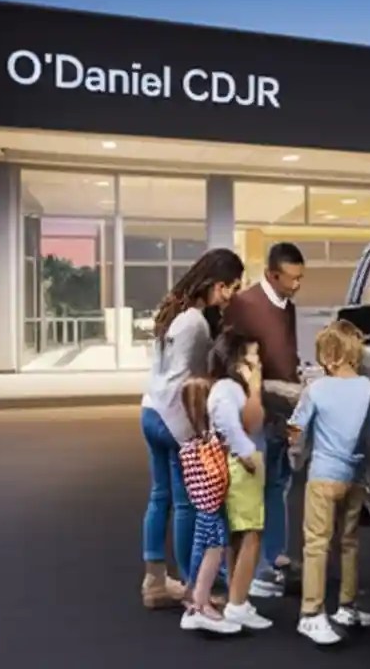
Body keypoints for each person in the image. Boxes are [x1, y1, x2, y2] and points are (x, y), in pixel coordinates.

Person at [139, 248, 244, 609]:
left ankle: (154, 580)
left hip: (150, 410)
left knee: (159, 497)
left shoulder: (172, 311)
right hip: (175, 417)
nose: (231, 295)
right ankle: (190, 585)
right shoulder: (198, 322)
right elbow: (204, 377)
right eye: (231, 287)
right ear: (217, 284)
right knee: (186, 503)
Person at [221, 242, 306, 599]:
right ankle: (242, 571)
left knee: (279, 486)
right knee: (248, 493)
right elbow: (228, 356)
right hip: (255, 412)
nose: (297, 284)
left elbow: (285, 353)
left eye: (301, 278)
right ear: (272, 274)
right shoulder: (245, 305)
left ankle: (273, 558)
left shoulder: (289, 306)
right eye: (292, 278)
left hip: (282, 410)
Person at [290, 319, 370, 645]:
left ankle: (311, 614)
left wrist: (293, 456)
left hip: (322, 477)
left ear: (330, 356)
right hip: (355, 479)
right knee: (349, 542)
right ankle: (347, 606)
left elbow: (296, 430)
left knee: (316, 545)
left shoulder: (316, 389)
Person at [208, 329, 274, 631]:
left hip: (240, 463)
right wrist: (248, 454)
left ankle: (238, 597)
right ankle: (237, 603)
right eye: (253, 355)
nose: (258, 360)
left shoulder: (227, 388)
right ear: (237, 362)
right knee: (251, 535)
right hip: (242, 466)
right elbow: (244, 424)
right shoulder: (228, 390)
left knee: (240, 533)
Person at [177, 377, 240, 635]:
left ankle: (195, 600)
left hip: (203, 507)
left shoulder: (189, 445)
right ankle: (200, 605)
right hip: (214, 508)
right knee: (213, 551)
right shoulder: (214, 442)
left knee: (203, 547)